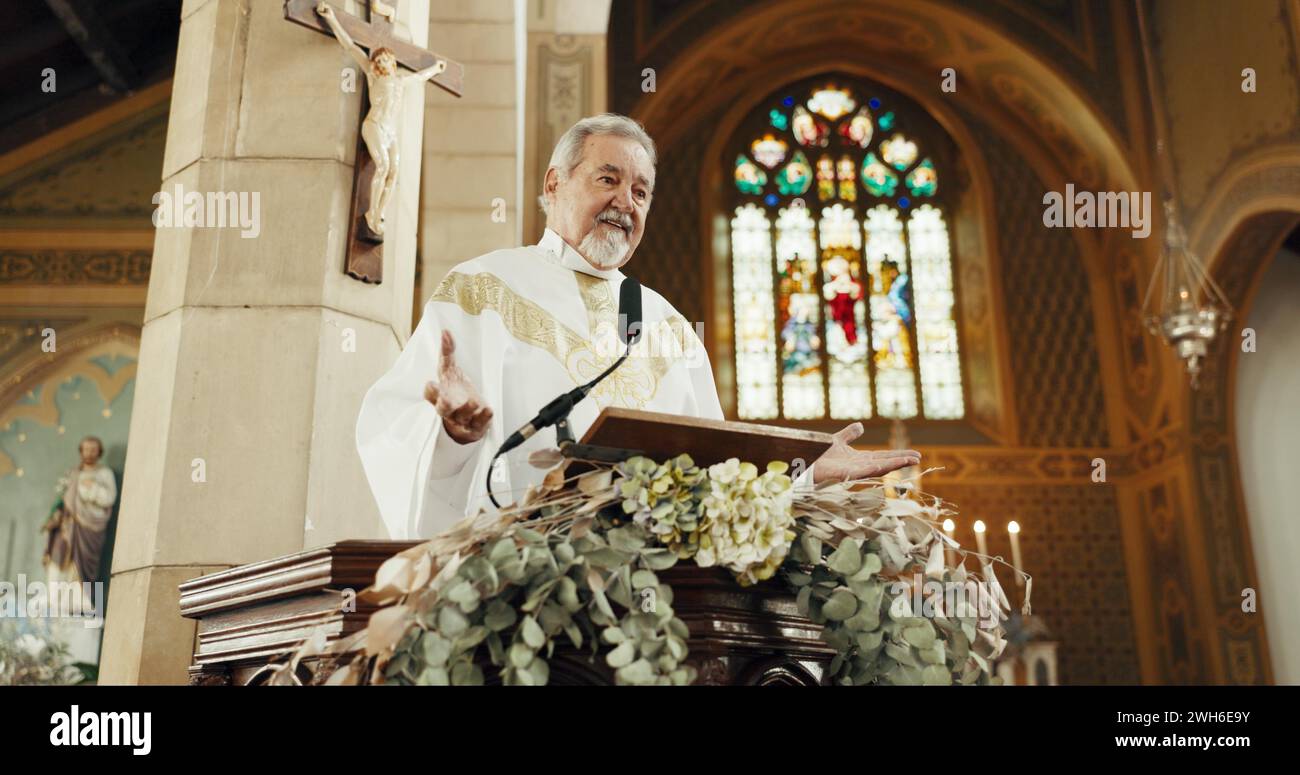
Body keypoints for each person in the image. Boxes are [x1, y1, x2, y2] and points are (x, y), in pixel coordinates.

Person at [356, 114, 920, 539]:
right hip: (513, 569)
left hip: (653, 585)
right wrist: (453, 434)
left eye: (641, 191)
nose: (625, 202)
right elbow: (392, 431)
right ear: (554, 184)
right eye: (608, 179)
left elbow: (709, 470)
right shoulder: (480, 289)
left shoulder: (667, 325)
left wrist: (798, 472)